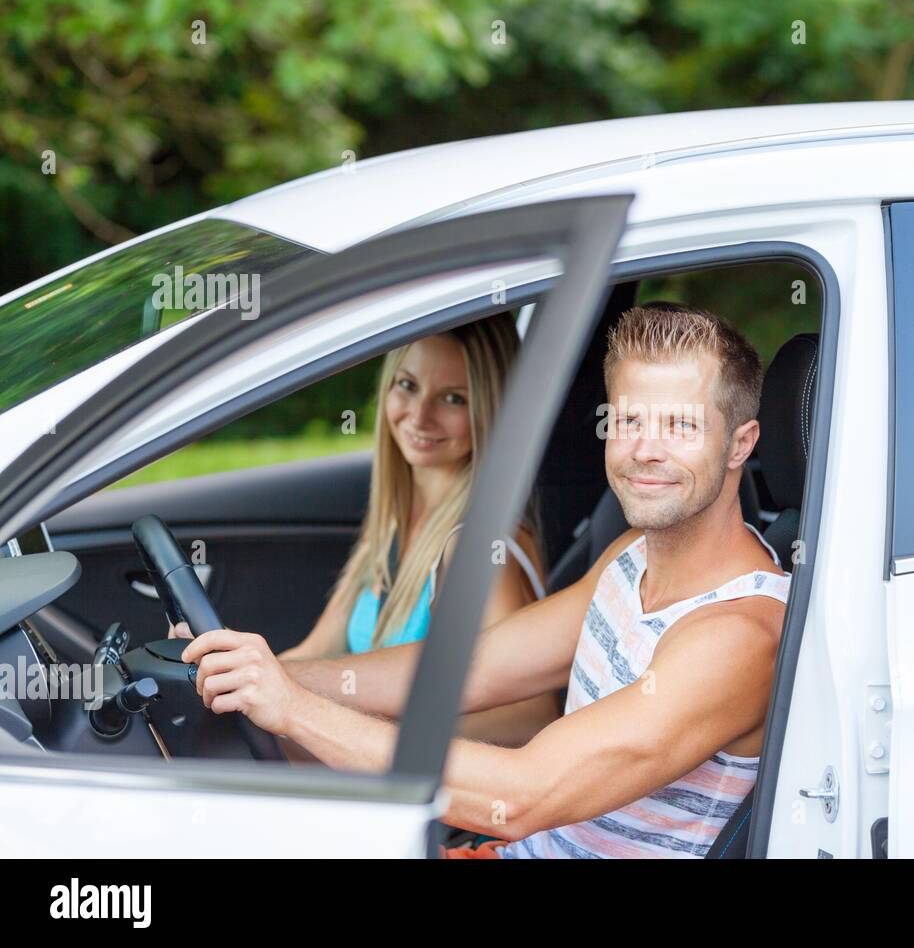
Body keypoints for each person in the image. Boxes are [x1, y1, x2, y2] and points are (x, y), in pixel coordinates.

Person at [179, 302, 791, 858]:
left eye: (680, 427)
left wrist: (295, 711)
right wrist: (254, 672)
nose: (644, 450)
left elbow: (526, 793)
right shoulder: (632, 556)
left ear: (741, 444)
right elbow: (471, 669)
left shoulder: (736, 633)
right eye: (629, 420)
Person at [174, 314, 560, 748]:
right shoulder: (394, 522)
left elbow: (530, 717)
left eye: (453, 398)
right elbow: (316, 652)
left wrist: (369, 740)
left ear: (491, 409)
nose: (419, 416)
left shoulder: (478, 549)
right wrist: (229, 672)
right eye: (408, 386)